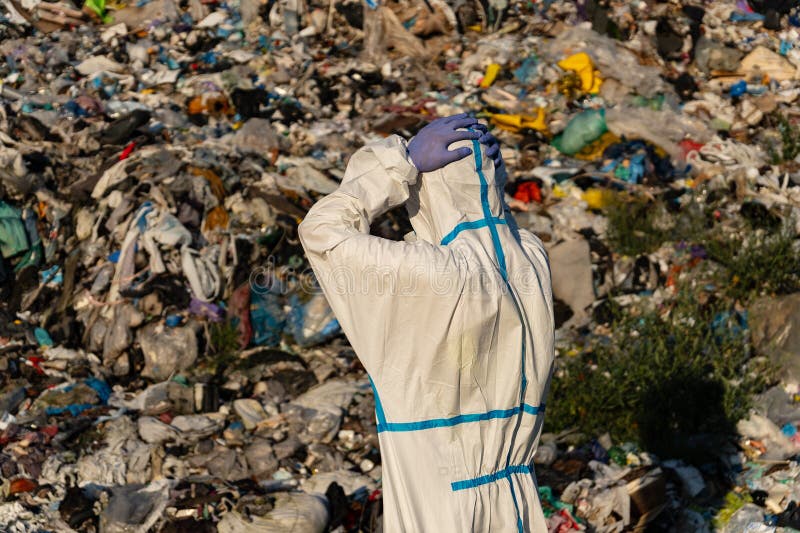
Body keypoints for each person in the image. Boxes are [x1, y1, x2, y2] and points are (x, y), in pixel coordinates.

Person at [299, 113, 554, 532]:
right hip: (514, 498)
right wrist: (487, 181)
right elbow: (488, 223)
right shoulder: (530, 258)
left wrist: (399, 163)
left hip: (438, 499)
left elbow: (322, 232)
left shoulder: (433, 272)